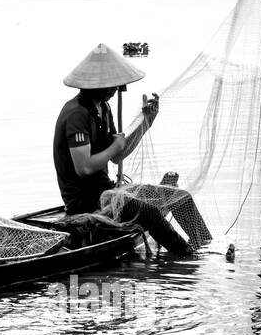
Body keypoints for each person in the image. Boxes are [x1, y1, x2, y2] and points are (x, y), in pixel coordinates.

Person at [52, 43, 210, 256]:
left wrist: (146, 122)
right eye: (111, 85)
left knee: (179, 196)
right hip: (86, 201)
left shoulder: (103, 108)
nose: (115, 90)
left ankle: (205, 246)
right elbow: (84, 167)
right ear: (96, 84)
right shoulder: (77, 114)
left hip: (107, 190)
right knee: (150, 213)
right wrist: (115, 146)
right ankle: (188, 256)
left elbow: (118, 156)